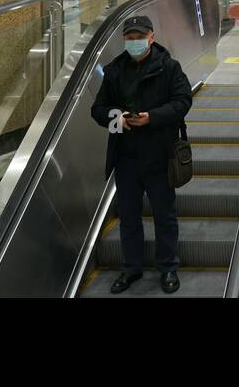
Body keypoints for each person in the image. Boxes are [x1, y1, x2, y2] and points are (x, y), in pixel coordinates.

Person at [90, 15, 192, 295]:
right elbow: (98, 110)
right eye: (130, 38)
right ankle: (131, 269)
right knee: (129, 217)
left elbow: (183, 101)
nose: (134, 42)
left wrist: (152, 118)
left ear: (151, 37)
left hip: (160, 155)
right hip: (126, 158)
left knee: (164, 215)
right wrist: (118, 118)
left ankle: (168, 268)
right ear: (125, 40)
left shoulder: (169, 68)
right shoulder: (113, 71)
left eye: (140, 37)